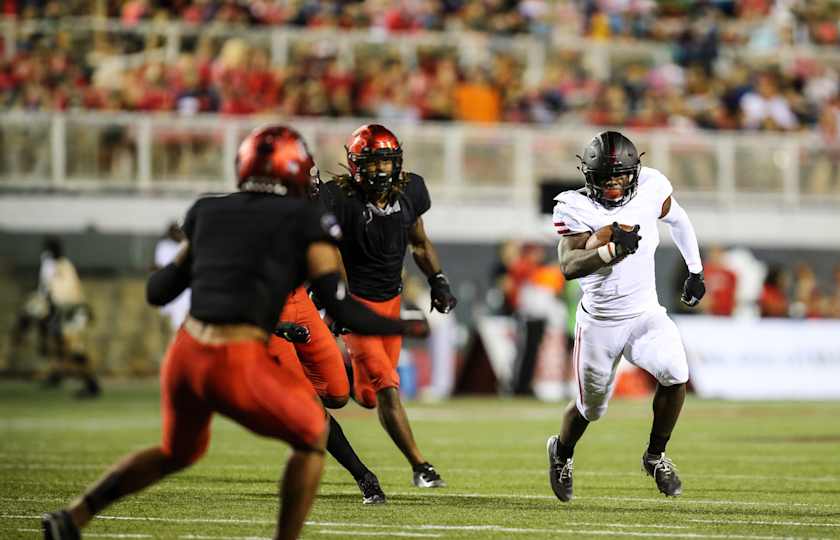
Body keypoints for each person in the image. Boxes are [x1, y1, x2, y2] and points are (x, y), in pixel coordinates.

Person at [42, 125, 429, 540]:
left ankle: (76, 515)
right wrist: (400, 324)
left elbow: (158, 291)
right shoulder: (305, 218)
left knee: (177, 451)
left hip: (186, 356)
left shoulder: (207, 211)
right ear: (295, 170)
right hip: (234, 358)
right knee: (312, 433)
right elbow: (337, 305)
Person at [547, 131, 706, 501]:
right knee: (592, 408)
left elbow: (679, 220)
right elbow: (569, 265)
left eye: (621, 175)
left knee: (676, 373)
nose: (615, 183)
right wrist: (609, 251)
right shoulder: (573, 206)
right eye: (606, 176)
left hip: (645, 313)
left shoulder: (652, 186)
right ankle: (562, 451)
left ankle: (655, 456)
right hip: (600, 322)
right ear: (590, 175)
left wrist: (695, 270)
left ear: (636, 170)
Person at [319, 123, 457, 488]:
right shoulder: (339, 199)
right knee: (386, 386)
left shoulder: (410, 190)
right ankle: (421, 466)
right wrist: (339, 306)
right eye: (373, 163)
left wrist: (438, 280)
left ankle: (344, 374)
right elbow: (329, 257)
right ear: (355, 164)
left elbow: (419, 242)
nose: (381, 170)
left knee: (367, 396)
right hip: (357, 304)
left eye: (386, 162)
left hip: (391, 300)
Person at [269, 287, 386, 504]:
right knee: (312, 408)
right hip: (265, 308)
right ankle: (364, 477)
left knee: (337, 394)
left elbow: (326, 261)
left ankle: (285, 398)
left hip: (301, 300)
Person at [38, 237, 101, 398]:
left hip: (73, 311)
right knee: (67, 348)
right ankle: (80, 380)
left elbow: (72, 293)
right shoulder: (56, 268)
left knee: (75, 348)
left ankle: (91, 384)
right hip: (65, 313)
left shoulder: (64, 266)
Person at [153, 222, 191, 331]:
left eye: (177, 231)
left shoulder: (187, 245)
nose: (176, 234)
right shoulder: (163, 246)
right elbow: (160, 267)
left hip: (185, 291)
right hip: (171, 288)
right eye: (173, 231)